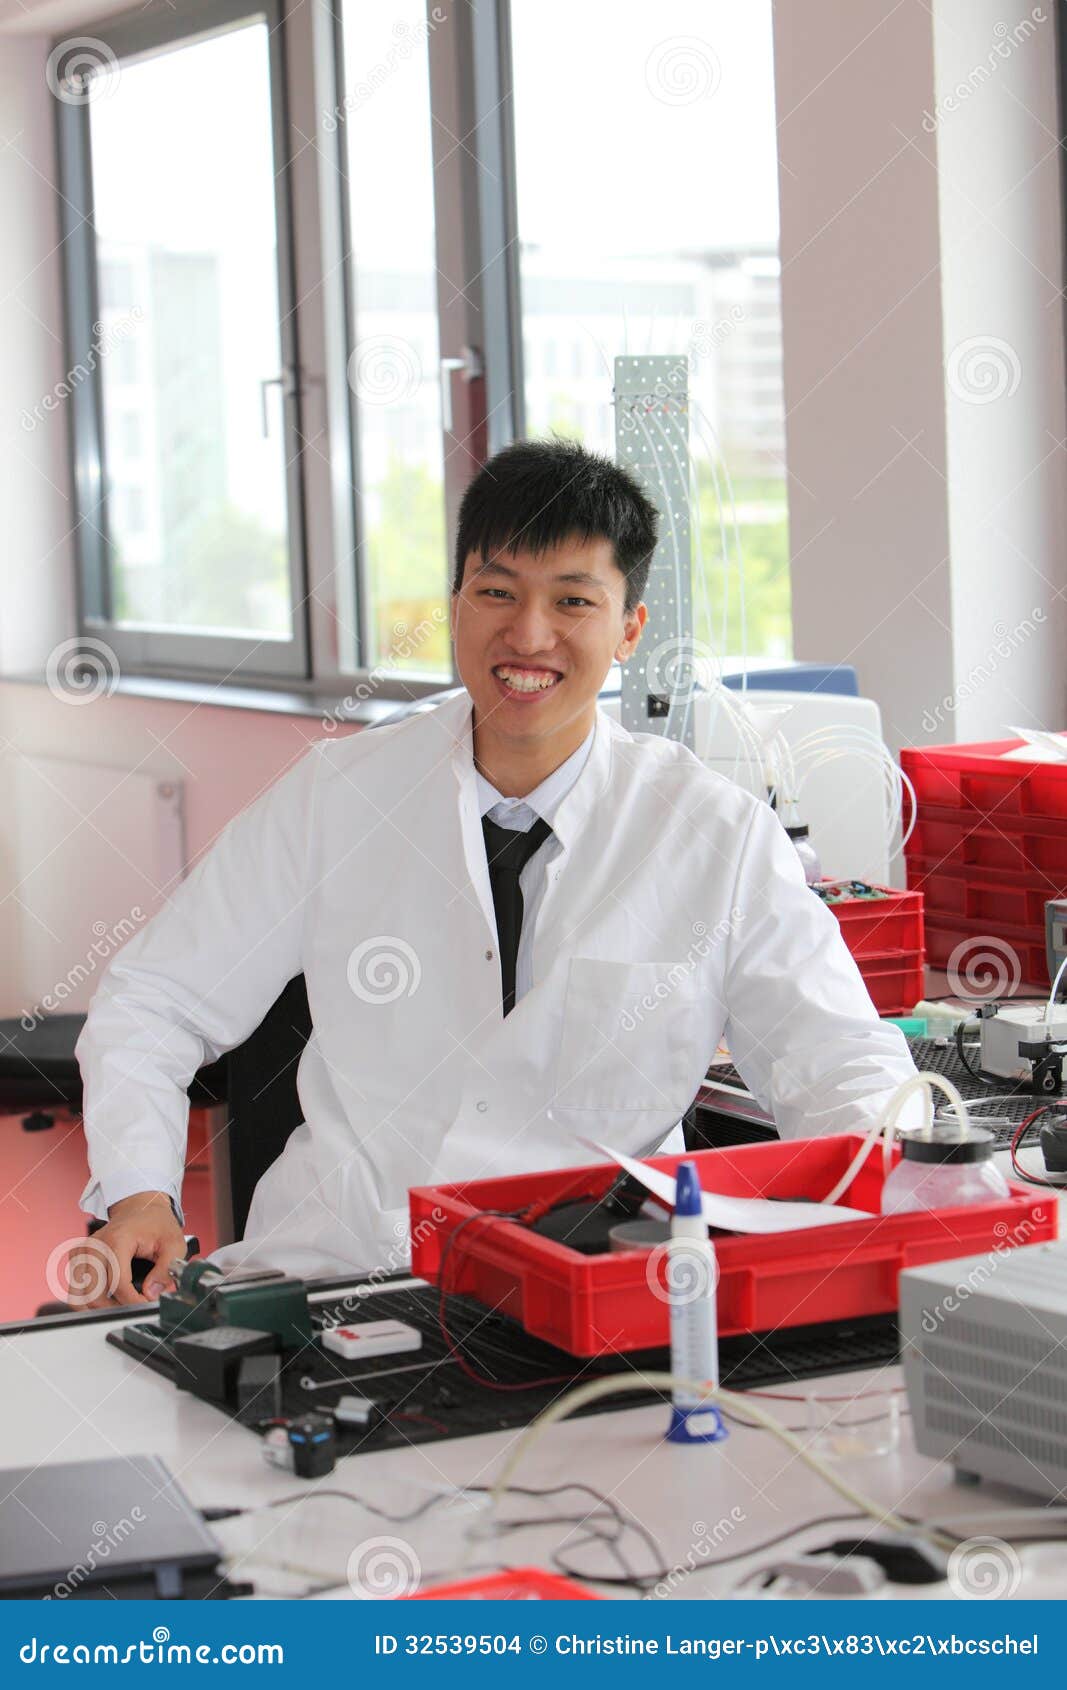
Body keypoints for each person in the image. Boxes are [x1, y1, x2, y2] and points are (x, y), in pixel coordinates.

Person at [69, 437, 917, 1308]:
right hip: (339, 1276)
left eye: (573, 600)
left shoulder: (714, 834)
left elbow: (837, 1058)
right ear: (456, 604)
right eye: (496, 592)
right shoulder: (339, 797)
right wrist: (140, 1196)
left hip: (603, 1290)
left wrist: (911, 1183)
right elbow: (155, 999)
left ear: (629, 628)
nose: (528, 634)